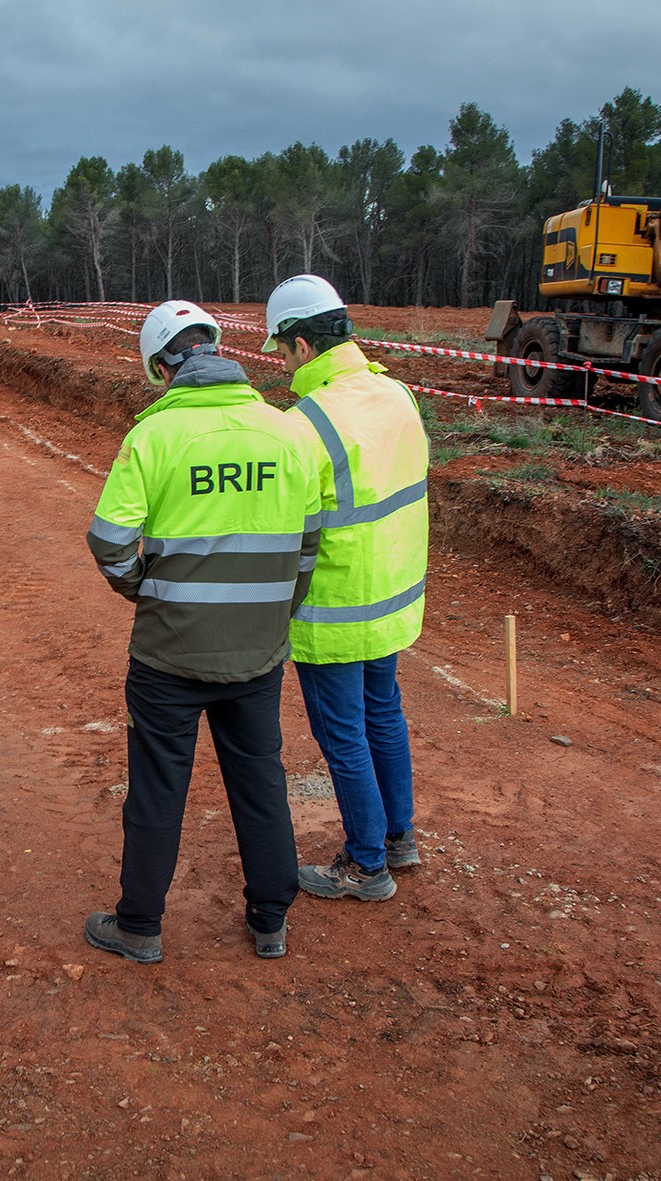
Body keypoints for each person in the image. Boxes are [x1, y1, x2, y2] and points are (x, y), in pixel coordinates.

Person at [84, 300, 322, 963]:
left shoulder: (154, 437)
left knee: (159, 786)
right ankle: (271, 920)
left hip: (169, 653)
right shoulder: (288, 433)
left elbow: (108, 541)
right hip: (258, 649)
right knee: (260, 781)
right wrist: (275, 608)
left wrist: (144, 590)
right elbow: (308, 545)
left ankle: (140, 927)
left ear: (163, 367)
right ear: (219, 352)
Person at [262, 274, 429, 903]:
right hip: (392, 596)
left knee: (343, 736)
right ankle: (399, 839)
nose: (281, 362)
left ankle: (366, 865)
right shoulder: (397, 394)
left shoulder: (306, 423)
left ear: (303, 346)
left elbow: (287, 524)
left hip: (334, 607)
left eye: (282, 349)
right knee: (383, 714)